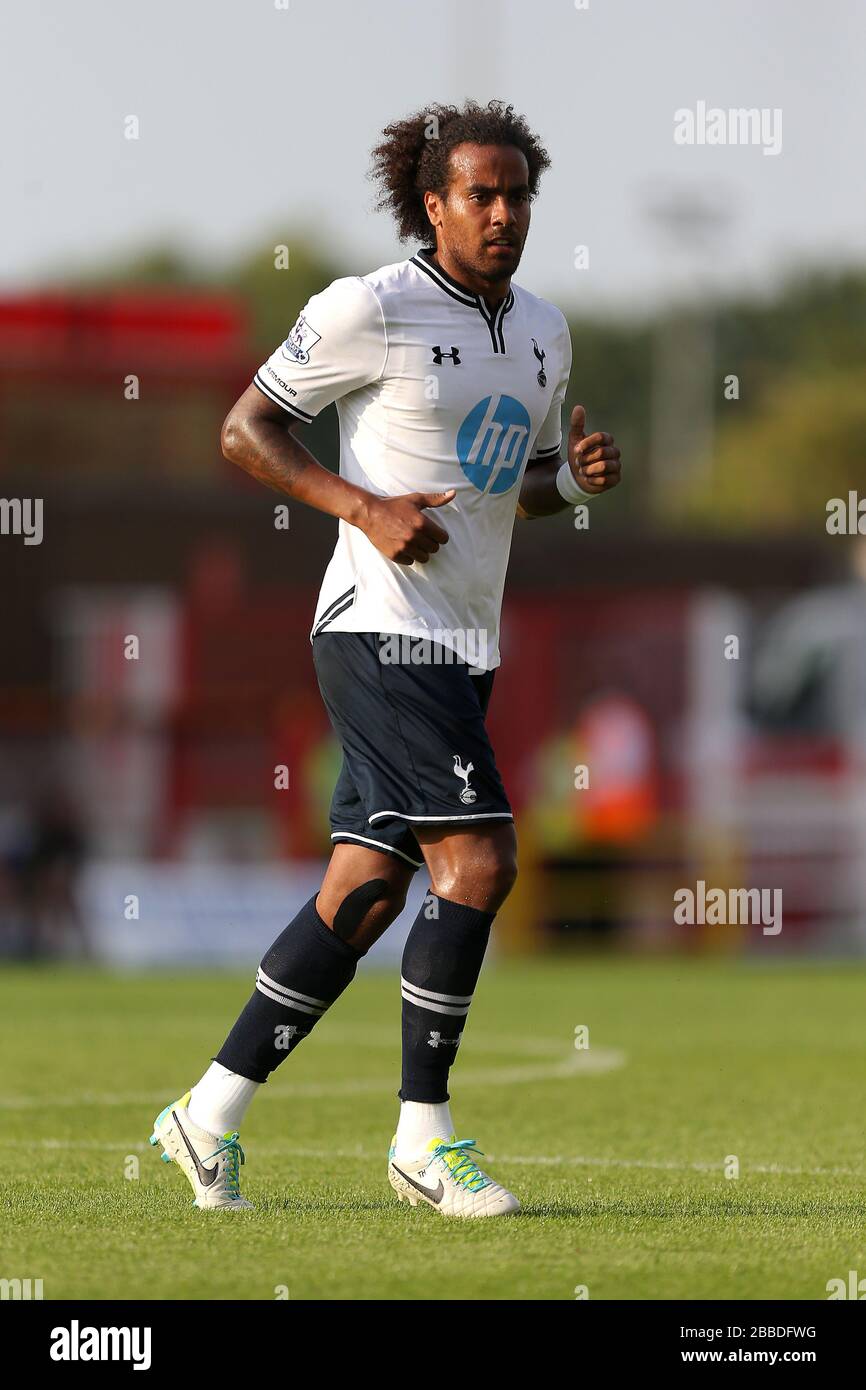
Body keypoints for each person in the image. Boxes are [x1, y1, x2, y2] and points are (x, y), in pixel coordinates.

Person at [149, 99, 622, 1217]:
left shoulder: (545, 330)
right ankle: (423, 1140)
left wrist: (574, 482)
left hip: (464, 643)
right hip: (378, 626)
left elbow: (513, 488)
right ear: (433, 204)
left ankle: (204, 1114)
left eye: (517, 196)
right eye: (480, 195)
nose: (503, 214)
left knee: (364, 890)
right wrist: (362, 506)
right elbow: (245, 430)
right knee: (481, 864)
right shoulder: (368, 307)